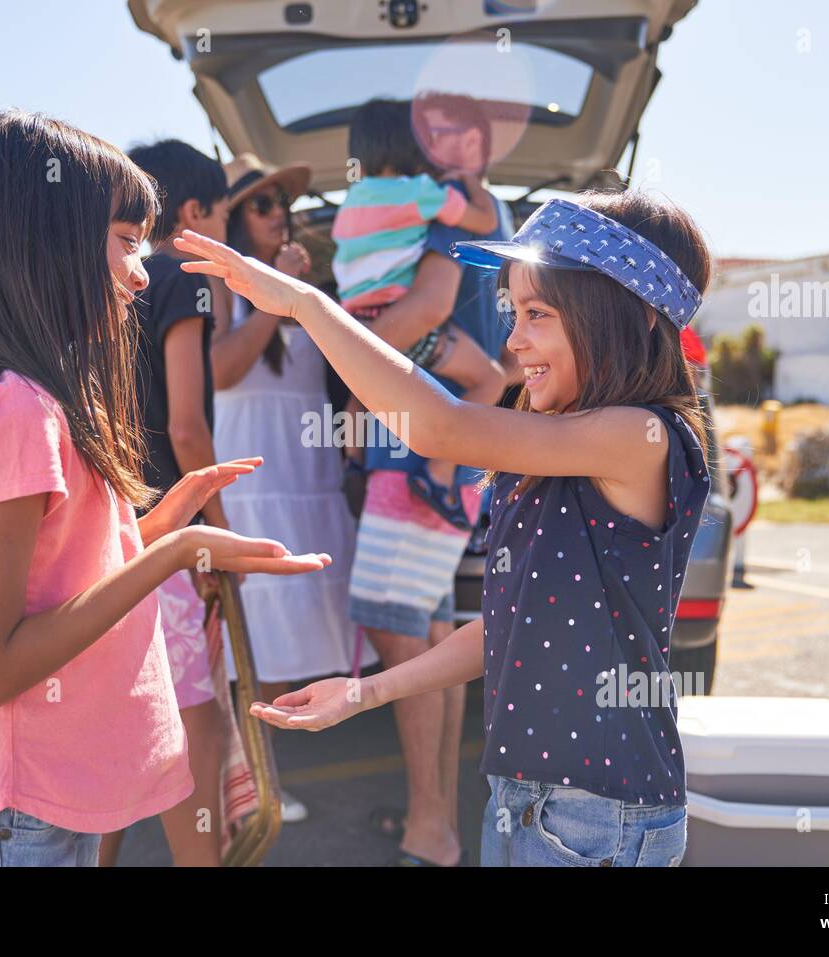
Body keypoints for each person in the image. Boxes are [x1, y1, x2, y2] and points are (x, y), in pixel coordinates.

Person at [174, 187, 713, 868]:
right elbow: (509, 626)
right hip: (525, 803)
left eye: (538, 314)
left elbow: (440, 426)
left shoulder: (642, 436)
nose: (515, 340)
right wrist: (363, 692)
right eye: (514, 313)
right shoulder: (568, 446)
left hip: (599, 815)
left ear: (620, 316)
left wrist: (309, 305)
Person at [0, 110, 329, 868]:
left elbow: (59, 579)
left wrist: (159, 524)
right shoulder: (16, 406)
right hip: (13, 804)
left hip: (26, 796)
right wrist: (179, 551)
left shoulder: (1, 391)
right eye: (128, 242)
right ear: (48, 243)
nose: (141, 270)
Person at [342, 91, 514, 866]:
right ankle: (434, 817)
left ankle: (433, 829)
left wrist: (351, 387)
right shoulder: (474, 210)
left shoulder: (443, 212)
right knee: (431, 630)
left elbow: (428, 306)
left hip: (417, 448)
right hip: (439, 447)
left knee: (393, 623)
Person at [209, 154, 366, 824]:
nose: (282, 215)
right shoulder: (227, 284)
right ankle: (249, 788)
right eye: (263, 205)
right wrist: (281, 298)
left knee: (301, 642)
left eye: (283, 204)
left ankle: (257, 780)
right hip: (256, 485)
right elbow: (220, 370)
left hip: (312, 484)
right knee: (257, 648)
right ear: (237, 221)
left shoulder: (307, 284)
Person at [95, 139, 238, 868]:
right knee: (194, 728)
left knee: (119, 734)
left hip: (117, 531)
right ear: (194, 213)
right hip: (171, 527)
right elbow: (187, 422)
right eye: (225, 212)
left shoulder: (113, 278)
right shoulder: (183, 275)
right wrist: (220, 534)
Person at [333, 98, 505, 529]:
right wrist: (472, 187)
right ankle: (440, 473)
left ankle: (353, 459)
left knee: (359, 389)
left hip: (359, 318)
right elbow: (479, 227)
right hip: (407, 331)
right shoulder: (426, 195)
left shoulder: (350, 202)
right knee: (490, 378)